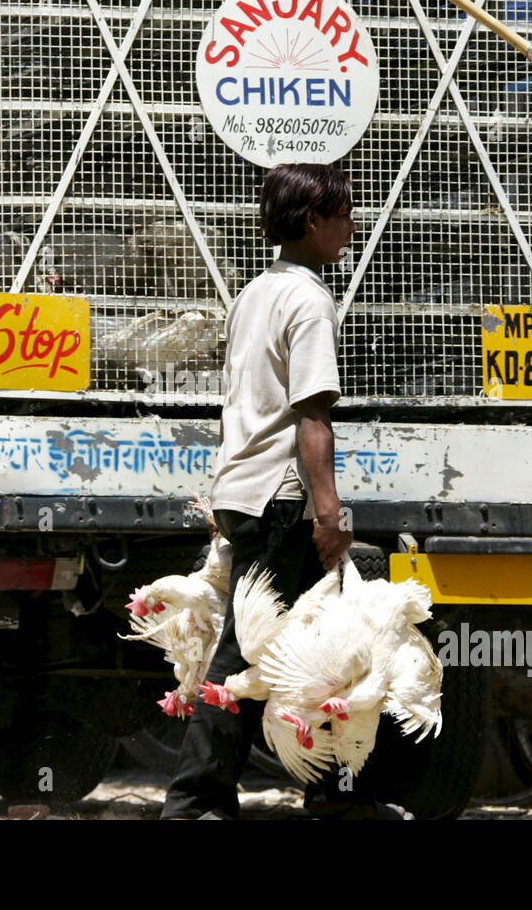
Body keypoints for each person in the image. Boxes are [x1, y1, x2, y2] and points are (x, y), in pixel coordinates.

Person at [160, 164, 408, 820]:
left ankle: (334, 793)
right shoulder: (308, 300)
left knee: (319, 645)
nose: (351, 229)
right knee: (253, 656)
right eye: (344, 215)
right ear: (312, 221)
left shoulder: (254, 294)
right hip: (281, 501)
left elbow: (237, 404)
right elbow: (312, 418)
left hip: (245, 492)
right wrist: (330, 513)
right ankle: (195, 803)